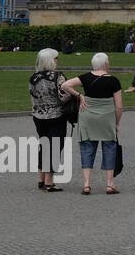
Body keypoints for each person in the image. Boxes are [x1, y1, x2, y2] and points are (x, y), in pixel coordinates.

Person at [60, 53, 123, 195]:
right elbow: (119, 107)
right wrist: (117, 123)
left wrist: (79, 95)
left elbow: (65, 85)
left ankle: (87, 184)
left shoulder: (85, 77)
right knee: (109, 147)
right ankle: (109, 184)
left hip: (87, 116)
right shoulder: (114, 81)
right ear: (106, 64)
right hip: (107, 119)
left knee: (87, 148)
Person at [29, 48, 70, 192]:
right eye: (56, 58)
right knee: (54, 147)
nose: (57, 60)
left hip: (38, 116)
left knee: (44, 145)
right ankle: (49, 182)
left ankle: (41, 178)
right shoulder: (57, 76)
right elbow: (64, 96)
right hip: (55, 116)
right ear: (50, 60)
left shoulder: (33, 77)